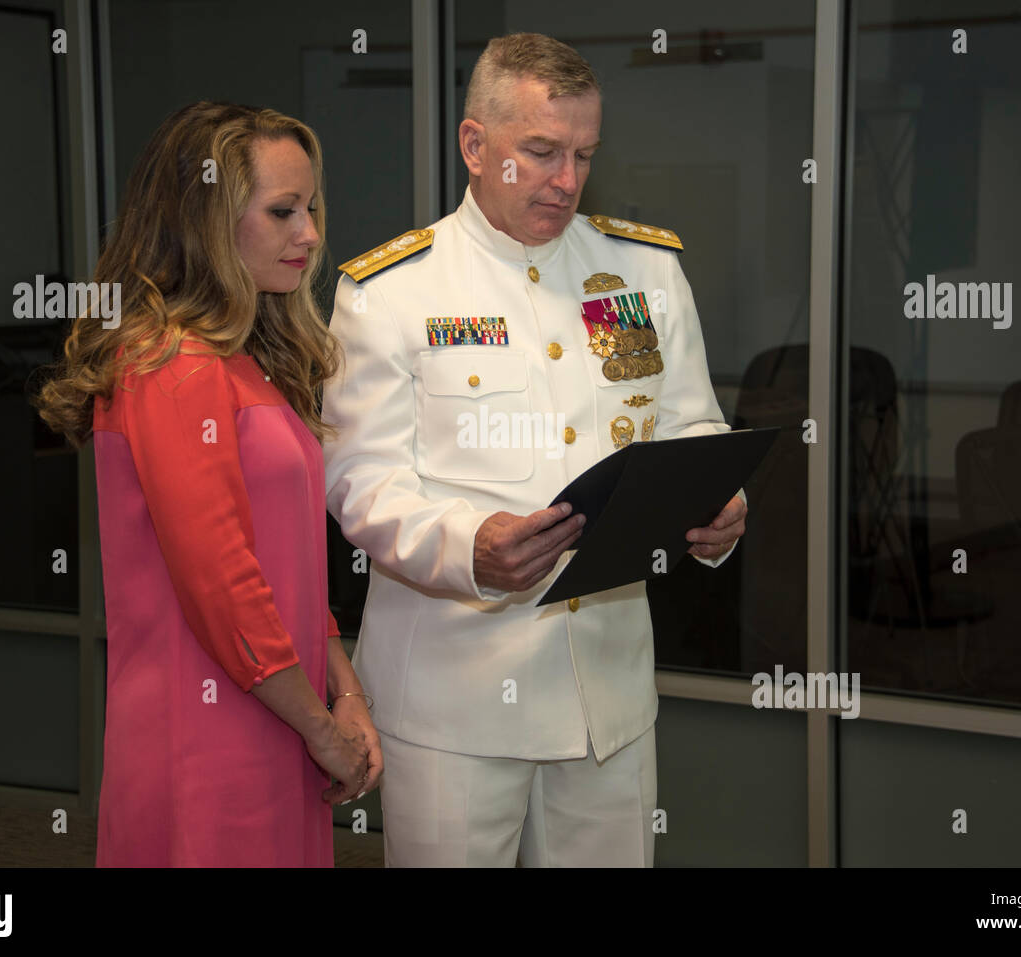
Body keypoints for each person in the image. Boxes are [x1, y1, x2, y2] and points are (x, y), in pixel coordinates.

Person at [322, 33, 747, 867]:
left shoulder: (644, 272)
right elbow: (361, 483)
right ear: (474, 145)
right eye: (542, 151)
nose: (567, 180)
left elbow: (695, 425)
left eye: (584, 155)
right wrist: (467, 548)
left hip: (606, 694)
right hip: (454, 699)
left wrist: (725, 505)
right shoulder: (391, 292)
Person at [35, 101, 381, 867]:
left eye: (312, 207)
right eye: (283, 211)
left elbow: (287, 562)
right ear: (205, 220)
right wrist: (322, 727)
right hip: (210, 730)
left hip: (278, 710)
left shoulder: (241, 357)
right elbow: (219, 580)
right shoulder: (170, 363)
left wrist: (344, 692)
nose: (312, 234)